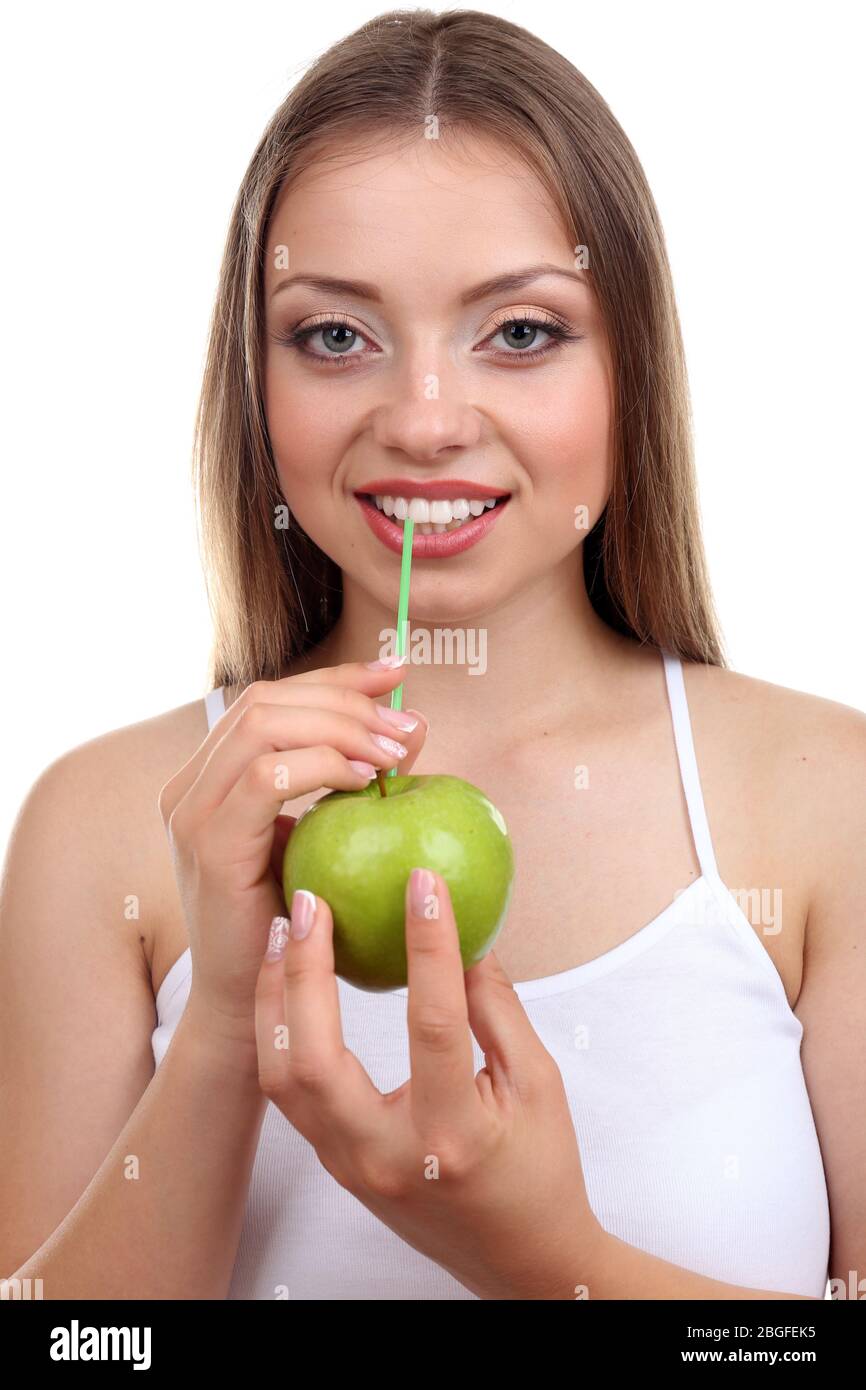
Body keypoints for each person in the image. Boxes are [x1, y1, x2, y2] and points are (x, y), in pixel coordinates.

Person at [2, 9, 863, 1301]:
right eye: (335, 335)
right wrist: (226, 1032)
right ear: (257, 376)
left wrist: (543, 1257)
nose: (421, 419)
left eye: (518, 331)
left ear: (630, 361)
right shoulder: (104, 825)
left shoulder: (823, 798)